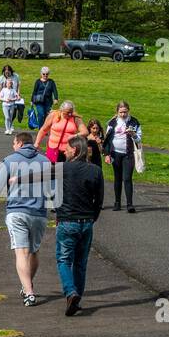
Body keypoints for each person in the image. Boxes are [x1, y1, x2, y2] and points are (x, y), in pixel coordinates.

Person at [0, 131, 50, 307]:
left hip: (17, 210)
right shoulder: (45, 161)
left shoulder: (11, 160)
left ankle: (29, 292)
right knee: (34, 251)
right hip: (39, 211)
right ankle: (27, 284)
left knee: (21, 252)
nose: (13, 146)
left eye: (14, 143)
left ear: (20, 143)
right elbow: (53, 187)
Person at [55, 134, 103, 316]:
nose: (64, 150)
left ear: (74, 150)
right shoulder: (96, 171)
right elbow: (99, 200)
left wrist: (16, 179)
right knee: (81, 263)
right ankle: (76, 299)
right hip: (86, 222)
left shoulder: (64, 168)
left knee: (64, 260)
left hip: (68, 221)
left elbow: (40, 175)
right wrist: (92, 218)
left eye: (66, 148)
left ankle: (70, 292)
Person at [104, 101, 142, 212]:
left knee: (127, 178)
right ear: (117, 112)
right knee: (117, 178)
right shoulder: (112, 122)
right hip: (115, 153)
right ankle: (117, 203)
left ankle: (130, 204)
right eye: (120, 112)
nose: (123, 114)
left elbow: (139, 140)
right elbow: (107, 139)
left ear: (128, 111)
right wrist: (107, 154)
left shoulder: (134, 122)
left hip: (128, 154)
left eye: (125, 112)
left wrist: (133, 134)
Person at [0, 64, 23, 135]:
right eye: (5, 72)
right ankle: (9, 127)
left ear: (11, 71)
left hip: (14, 96)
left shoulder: (16, 76)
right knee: (8, 115)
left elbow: (19, 86)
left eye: (8, 72)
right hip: (6, 99)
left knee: (13, 113)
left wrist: (18, 95)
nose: (7, 74)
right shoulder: (2, 78)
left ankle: (10, 125)